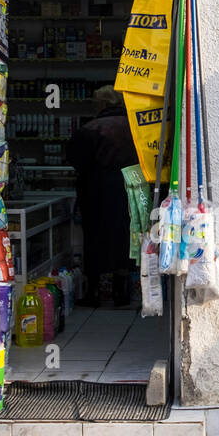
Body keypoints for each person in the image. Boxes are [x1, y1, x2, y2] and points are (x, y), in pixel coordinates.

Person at [67, 85, 139, 306]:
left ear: (104, 104)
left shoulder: (91, 128)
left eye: (96, 102)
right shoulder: (135, 127)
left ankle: (94, 293)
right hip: (131, 189)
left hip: (98, 191)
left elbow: (75, 159)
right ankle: (123, 292)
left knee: (96, 239)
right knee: (126, 238)